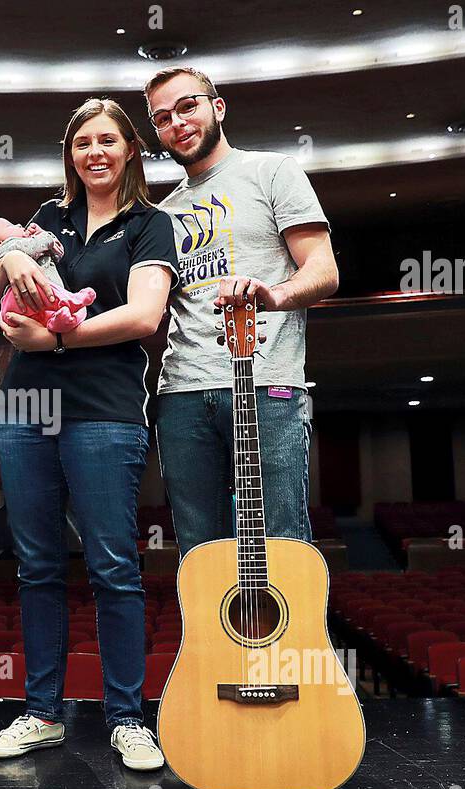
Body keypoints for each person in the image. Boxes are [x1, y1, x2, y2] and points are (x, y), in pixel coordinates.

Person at [0, 98, 178, 771]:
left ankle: (127, 717)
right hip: (25, 409)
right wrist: (9, 256)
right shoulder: (48, 218)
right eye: (82, 143)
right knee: (35, 567)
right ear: (71, 154)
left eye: (107, 141)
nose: (94, 152)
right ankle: (42, 712)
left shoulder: (151, 225)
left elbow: (143, 316)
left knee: (114, 569)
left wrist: (55, 338)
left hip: (105, 410)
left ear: (129, 151)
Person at [144, 66, 339, 557]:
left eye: (188, 106)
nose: (178, 123)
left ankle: (292, 640)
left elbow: (324, 271)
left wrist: (273, 295)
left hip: (267, 380)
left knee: (284, 546)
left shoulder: (272, 171)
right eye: (162, 118)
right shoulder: (161, 214)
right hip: (182, 392)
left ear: (217, 106)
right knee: (199, 553)